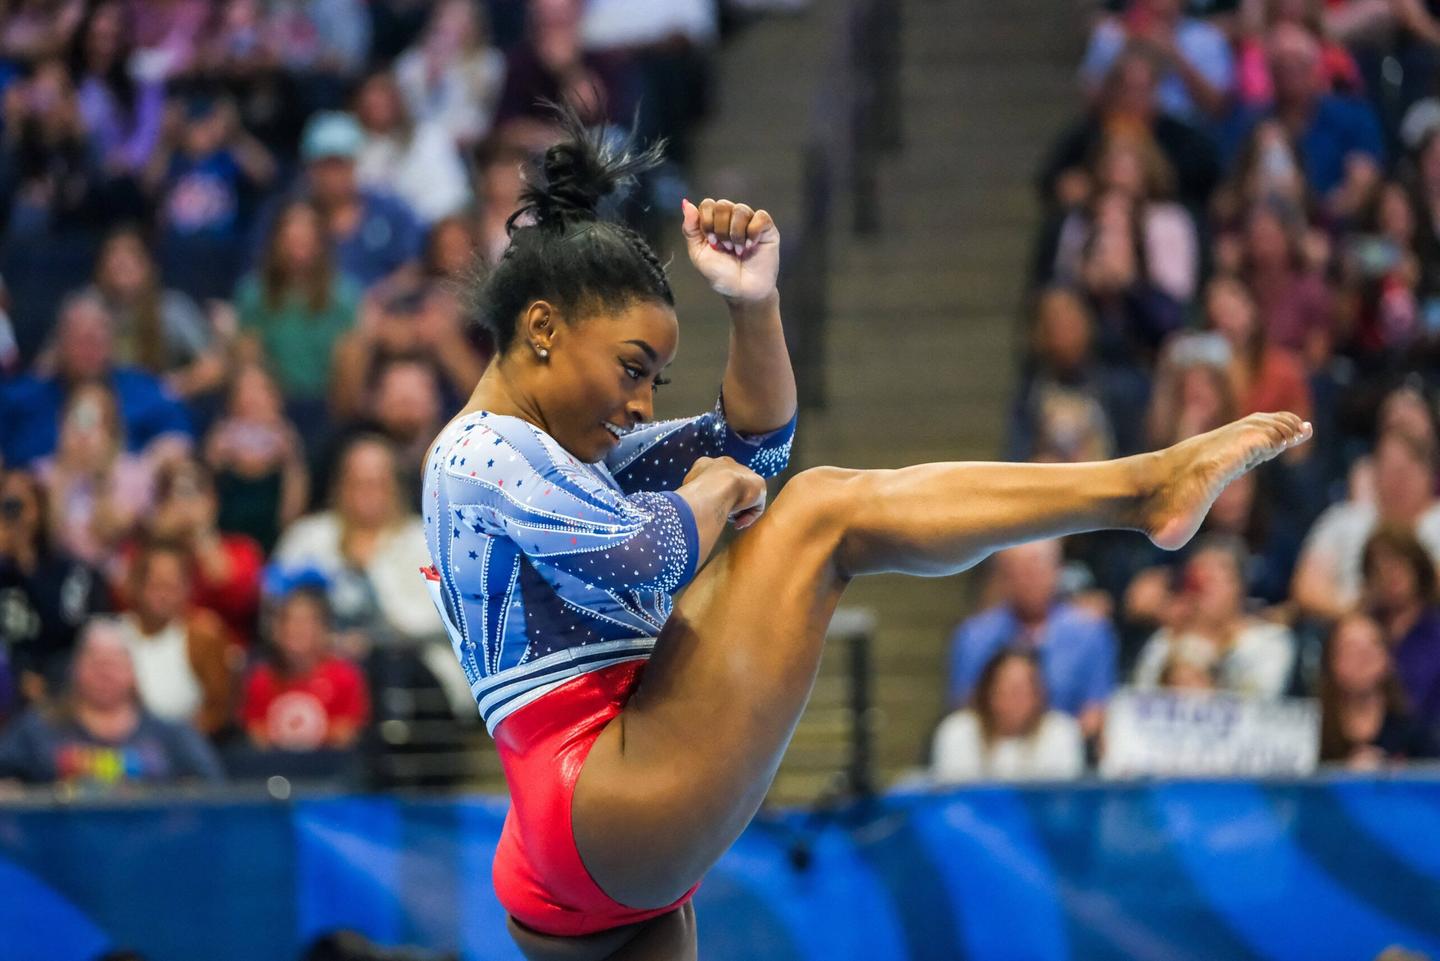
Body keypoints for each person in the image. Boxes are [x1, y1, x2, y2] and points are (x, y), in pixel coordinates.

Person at [419, 115, 1310, 958]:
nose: (643, 404)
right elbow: (640, 557)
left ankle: (1146, 486)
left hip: (573, 840)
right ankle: (1141, 487)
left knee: (804, 497)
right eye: (632, 369)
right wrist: (712, 488)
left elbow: (756, 445)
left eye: (655, 379)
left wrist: (754, 305)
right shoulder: (479, 451)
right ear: (541, 328)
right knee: (824, 515)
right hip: (601, 793)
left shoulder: (571, 455)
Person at [0, 617, 224, 789]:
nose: (104, 673)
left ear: (132, 672)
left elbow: (213, 791)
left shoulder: (172, 734)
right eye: (95, 662)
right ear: (75, 669)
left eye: (114, 663)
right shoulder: (37, 730)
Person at [947, 540, 1117, 739]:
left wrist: (1059, 745)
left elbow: (1097, 710)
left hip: (1065, 750)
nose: (1028, 579)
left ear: (1058, 570)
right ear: (1004, 576)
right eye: (1019, 570)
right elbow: (963, 706)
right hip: (989, 750)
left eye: (1037, 568)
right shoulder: (973, 635)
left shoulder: (1091, 632)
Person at [0, 292, 192, 468]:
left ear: (112, 344)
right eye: (81, 341)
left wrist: (143, 472)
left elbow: (179, 438)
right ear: (60, 343)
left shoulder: (142, 388)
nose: (89, 352)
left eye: (97, 341)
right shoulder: (21, 396)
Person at [1131, 535, 1296, 696]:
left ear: (1239, 586)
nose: (1203, 590)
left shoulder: (1268, 643)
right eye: (1196, 582)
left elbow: (1261, 702)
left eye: (1212, 581)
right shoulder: (1164, 642)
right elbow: (1137, 701)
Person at [0, 468, 111, 705]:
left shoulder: (71, 570)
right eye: (4, 506)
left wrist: (25, 564)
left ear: (39, 509)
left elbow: (62, 624)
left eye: (17, 505)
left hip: (62, 677)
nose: (11, 516)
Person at [115, 540, 238, 738]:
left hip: (182, 746)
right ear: (136, 586)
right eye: (155, 586)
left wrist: (178, 739)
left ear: (187, 589)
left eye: (172, 587)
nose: (163, 595)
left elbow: (218, 710)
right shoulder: (113, 635)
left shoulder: (203, 637)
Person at [240, 584, 369, 751]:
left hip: (328, 769)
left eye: (305, 622)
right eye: (289, 621)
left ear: (322, 629)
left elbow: (347, 733)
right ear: (277, 630)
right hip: (275, 769)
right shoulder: (262, 679)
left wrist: (294, 732)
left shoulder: (344, 677)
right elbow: (255, 733)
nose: (296, 629)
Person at [932, 649, 1086, 783]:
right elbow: (952, 801)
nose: (1016, 700)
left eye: (1024, 691)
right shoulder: (958, 731)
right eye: (1009, 690)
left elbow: (1062, 802)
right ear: (988, 691)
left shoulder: (1061, 731)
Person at [1319, 611, 1438, 767]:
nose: (1363, 657)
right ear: (1331, 661)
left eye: (1372, 645)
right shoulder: (1313, 730)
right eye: (1350, 648)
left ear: (1387, 658)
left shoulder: (1415, 732)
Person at [1362, 525, 1440, 733]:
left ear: (1418, 567)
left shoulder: (1435, 630)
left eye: (1398, 564)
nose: (1390, 575)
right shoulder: (1361, 632)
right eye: (1379, 568)